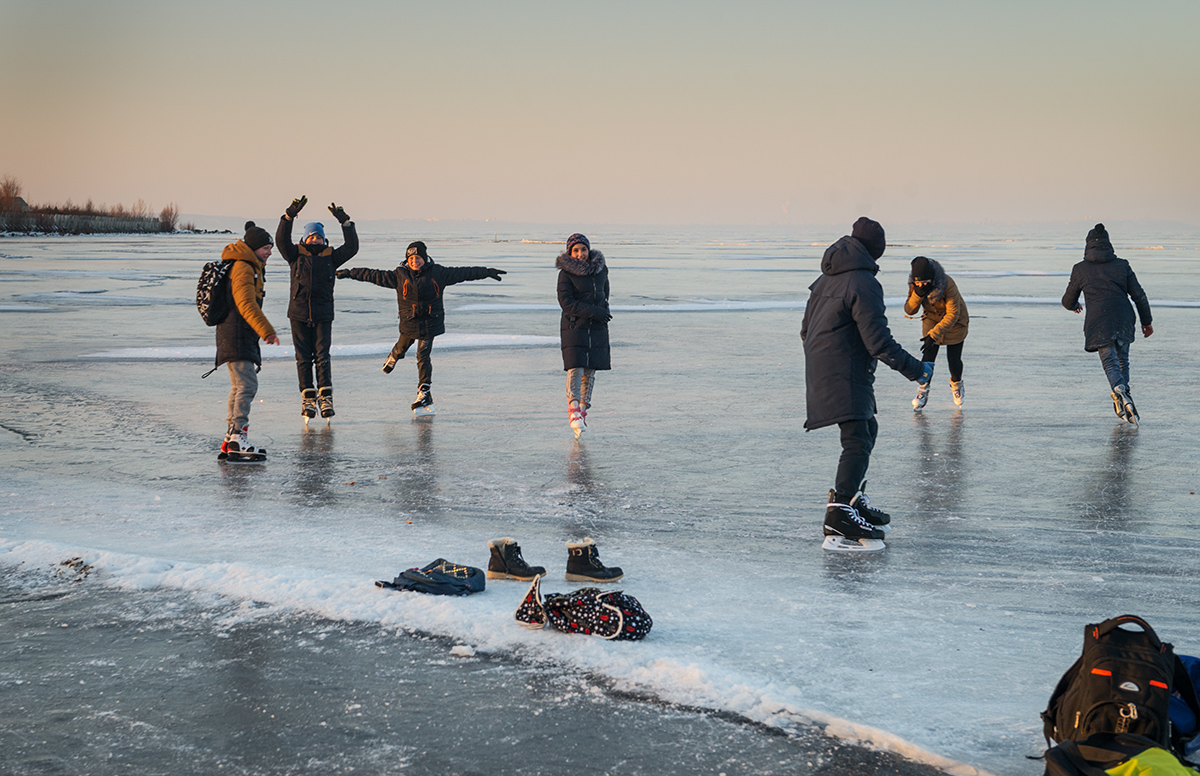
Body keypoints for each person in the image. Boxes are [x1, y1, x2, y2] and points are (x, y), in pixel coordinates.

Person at [801, 217, 932, 551]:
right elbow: (878, 341)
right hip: (844, 368)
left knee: (866, 430)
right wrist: (916, 369)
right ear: (875, 251)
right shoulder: (863, 283)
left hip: (826, 364)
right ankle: (840, 512)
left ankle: (852, 499)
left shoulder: (824, 278)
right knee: (858, 437)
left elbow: (806, 329)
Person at [336, 241, 505, 414]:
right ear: (407, 260)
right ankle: (394, 356)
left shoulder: (438, 273)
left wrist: (487, 272)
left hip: (430, 323)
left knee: (423, 355)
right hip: (409, 322)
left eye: (418, 258)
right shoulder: (399, 275)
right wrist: (350, 273)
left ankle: (424, 391)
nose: (415, 261)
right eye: (411, 258)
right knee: (401, 347)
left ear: (425, 258)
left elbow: (464, 272)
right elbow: (373, 275)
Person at [275, 196, 359, 421]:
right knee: (303, 357)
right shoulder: (295, 255)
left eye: (319, 237)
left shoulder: (331, 256)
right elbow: (281, 240)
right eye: (311, 236)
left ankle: (325, 395)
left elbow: (352, 247)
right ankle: (308, 396)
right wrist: (289, 216)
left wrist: (345, 223)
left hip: (323, 313)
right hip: (299, 312)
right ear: (305, 238)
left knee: (322, 355)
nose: (315, 239)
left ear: (323, 239)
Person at [1062, 223, 1153, 424]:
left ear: (1088, 246)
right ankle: (1124, 399)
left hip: (1099, 322)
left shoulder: (1080, 269)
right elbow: (1139, 295)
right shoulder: (1122, 265)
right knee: (1122, 360)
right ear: (1108, 245)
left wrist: (1075, 305)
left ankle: (1120, 391)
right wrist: (1147, 322)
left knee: (1111, 362)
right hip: (1124, 318)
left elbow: (1067, 301)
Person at [216, 221, 280, 456]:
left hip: (235, 333)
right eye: (266, 248)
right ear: (253, 248)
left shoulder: (247, 264)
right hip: (237, 332)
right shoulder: (243, 267)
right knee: (246, 385)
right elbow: (245, 303)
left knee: (239, 386)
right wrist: (266, 330)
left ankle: (231, 438)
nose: (270, 252)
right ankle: (237, 438)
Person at [556, 233, 611, 438]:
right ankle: (573, 409)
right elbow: (566, 302)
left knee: (590, 369)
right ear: (570, 252)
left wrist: (603, 310)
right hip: (574, 326)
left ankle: (583, 408)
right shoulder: (566, 274)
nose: (580, 254)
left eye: (584, 250)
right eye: (576, 250)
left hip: (597, 326)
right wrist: (594, 312)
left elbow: (605, 293)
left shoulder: (600, 270)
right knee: (575, 367)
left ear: (589, 250)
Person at [903, 256, 969, 410]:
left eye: (924, 282)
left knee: (954, 360)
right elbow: (909, 310)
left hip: (956, 322)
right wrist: (917, 294)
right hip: (931, 319)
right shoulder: (915, 286)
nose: (920, 284)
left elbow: (953, 314)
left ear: (932, 278)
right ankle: (923, 390)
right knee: (928, 358)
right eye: (917, 282)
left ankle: (957, 384)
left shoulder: (947, 283)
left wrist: (933, 335)